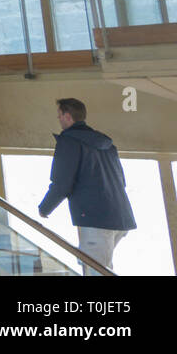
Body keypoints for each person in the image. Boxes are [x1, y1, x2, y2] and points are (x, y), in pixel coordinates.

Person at [38, 98, 135, 275]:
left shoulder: (68, 142)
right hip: (120, 216)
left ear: (68, 117)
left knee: (95, 271)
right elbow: (122, 180)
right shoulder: (106, 144)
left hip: (96, 218)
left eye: (59, 116)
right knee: (103, 268)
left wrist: (45, 208)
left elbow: (62, 183)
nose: (58, 120)